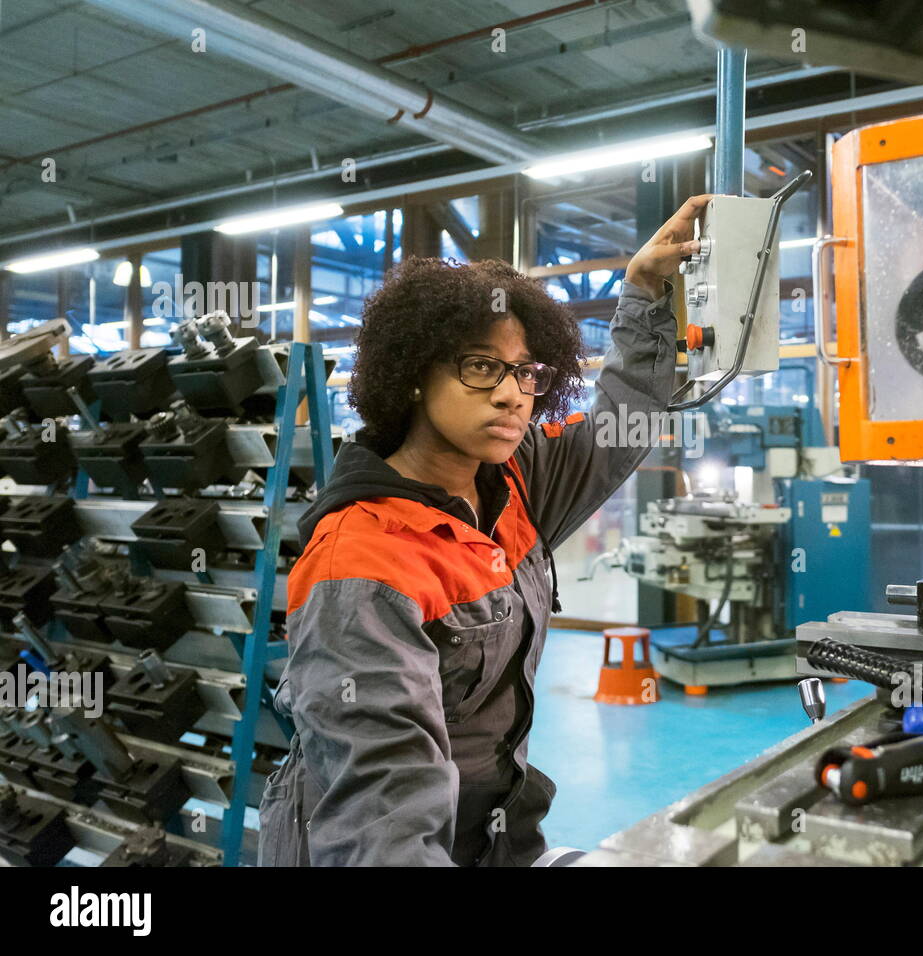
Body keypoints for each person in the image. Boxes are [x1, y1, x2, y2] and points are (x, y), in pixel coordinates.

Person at [257, 195, 711, 866]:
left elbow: (623, 427)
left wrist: (644, 292)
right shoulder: (361, 561)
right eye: (480, 367)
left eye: (525, 372)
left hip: (495, 835)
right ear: (411, 377)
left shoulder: (512, 482)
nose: (511, 394)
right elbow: (383, 810)